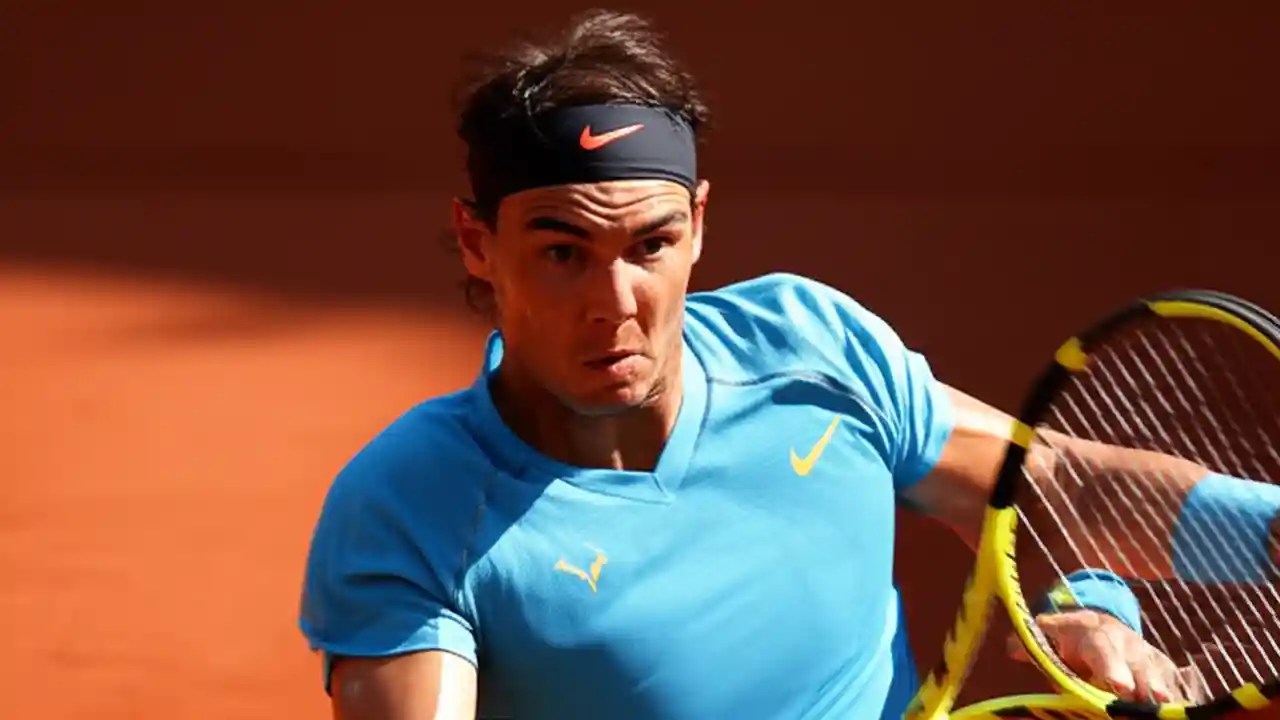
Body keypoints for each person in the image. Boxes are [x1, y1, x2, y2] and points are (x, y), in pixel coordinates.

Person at [298, 10, 1272, 719]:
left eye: (650, 244)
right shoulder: (412, 507)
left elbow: (1050, 490)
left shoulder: (809, 347)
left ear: (699, 226)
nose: (615, 302)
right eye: (561, 252)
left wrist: (1089, 600)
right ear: (477, 245)